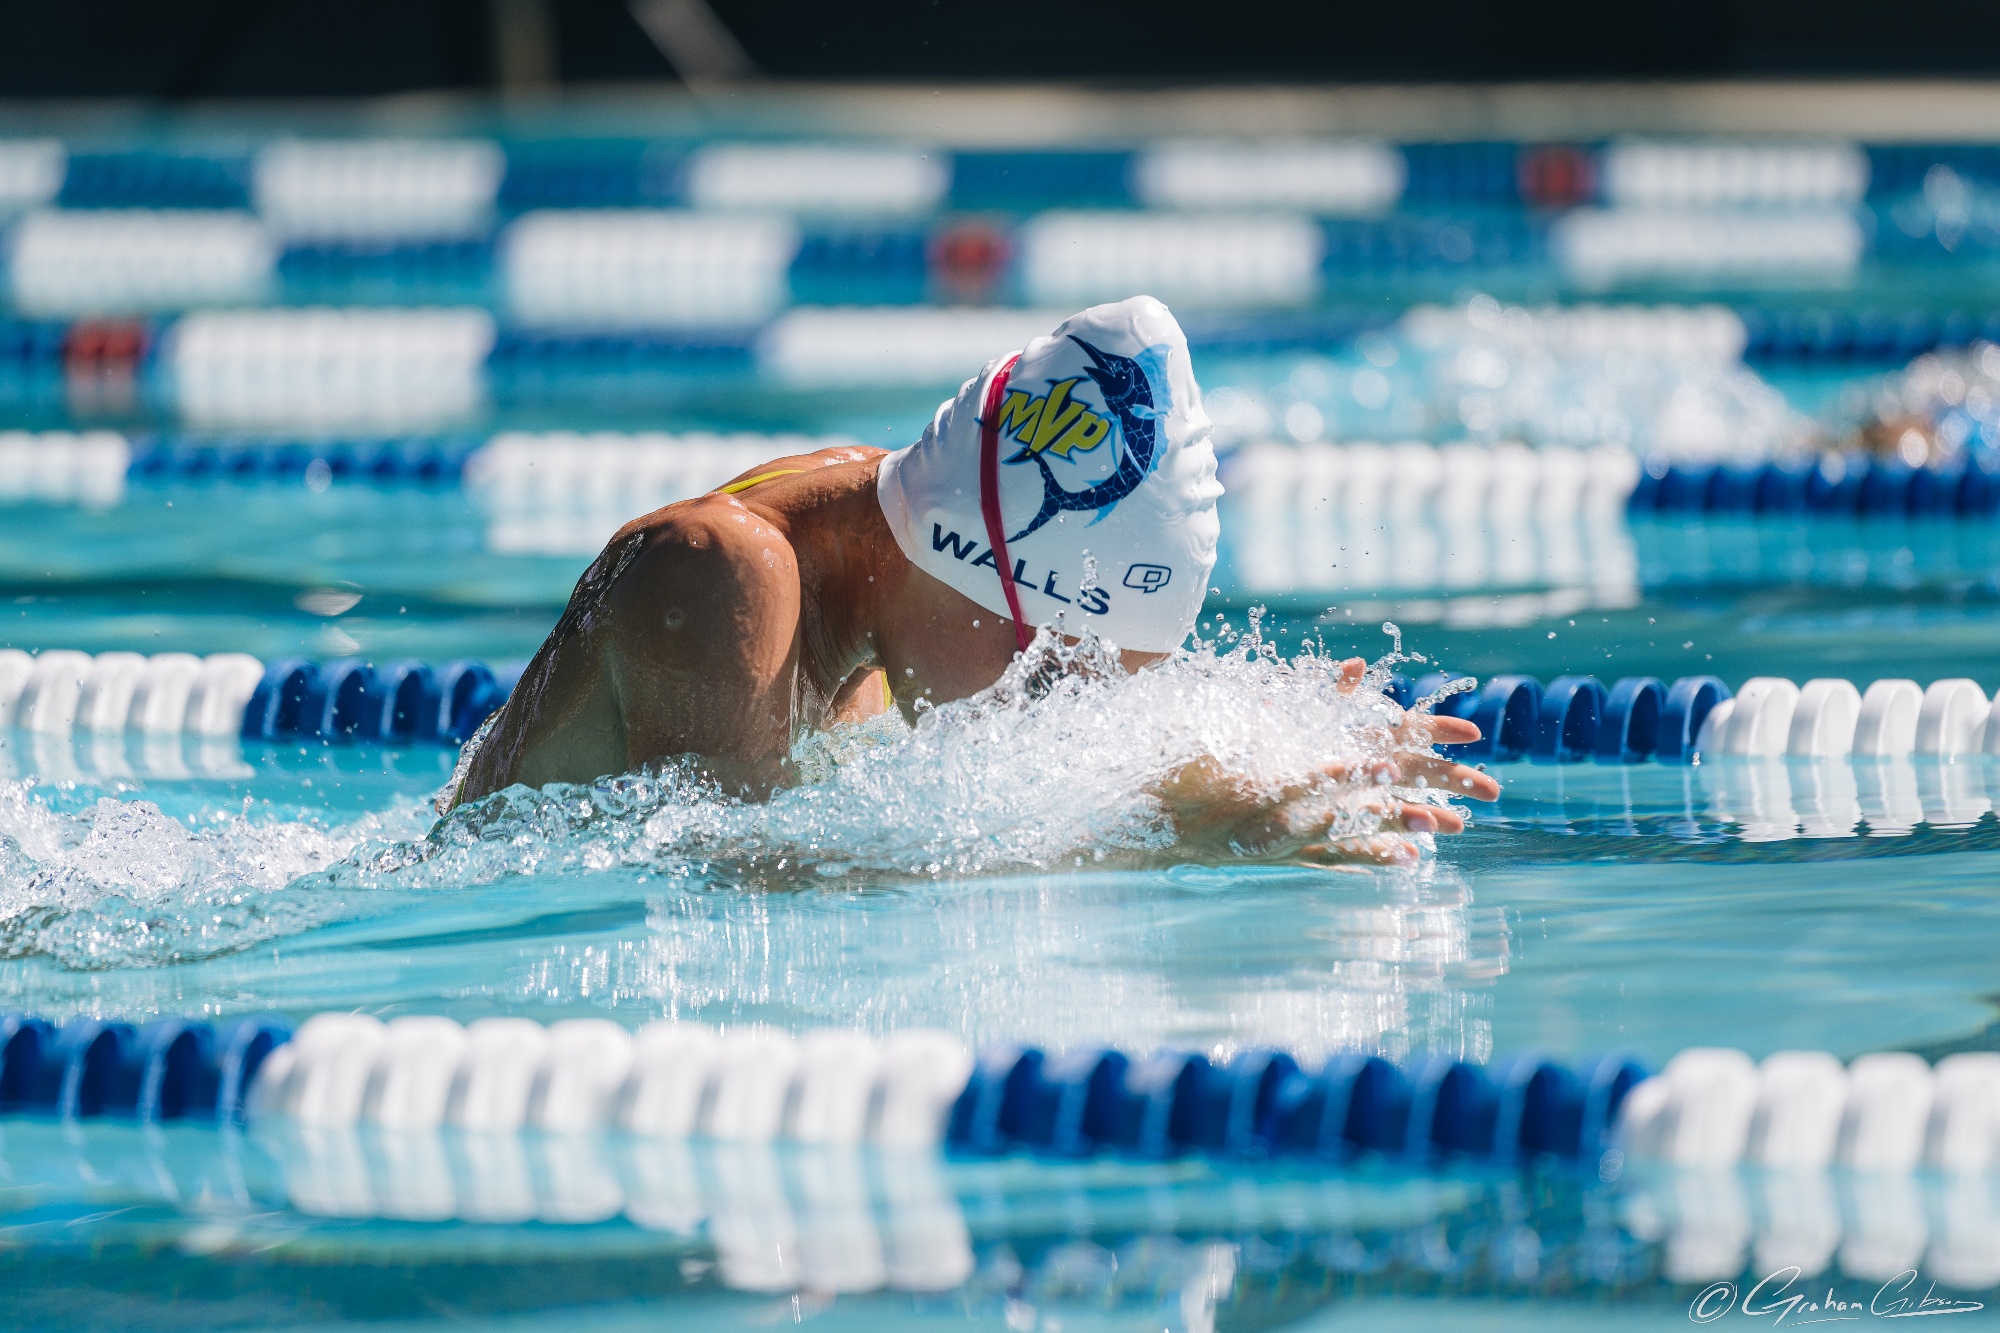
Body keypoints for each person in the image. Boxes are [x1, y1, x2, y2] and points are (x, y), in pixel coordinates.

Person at [448, 296, 1500, 863]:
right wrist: (1163, 839)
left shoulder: (886, 541)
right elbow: (737, 891)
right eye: (1054, 660)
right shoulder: (728, 573)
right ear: (979, 561)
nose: (1046, 705)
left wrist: (1264, 761)